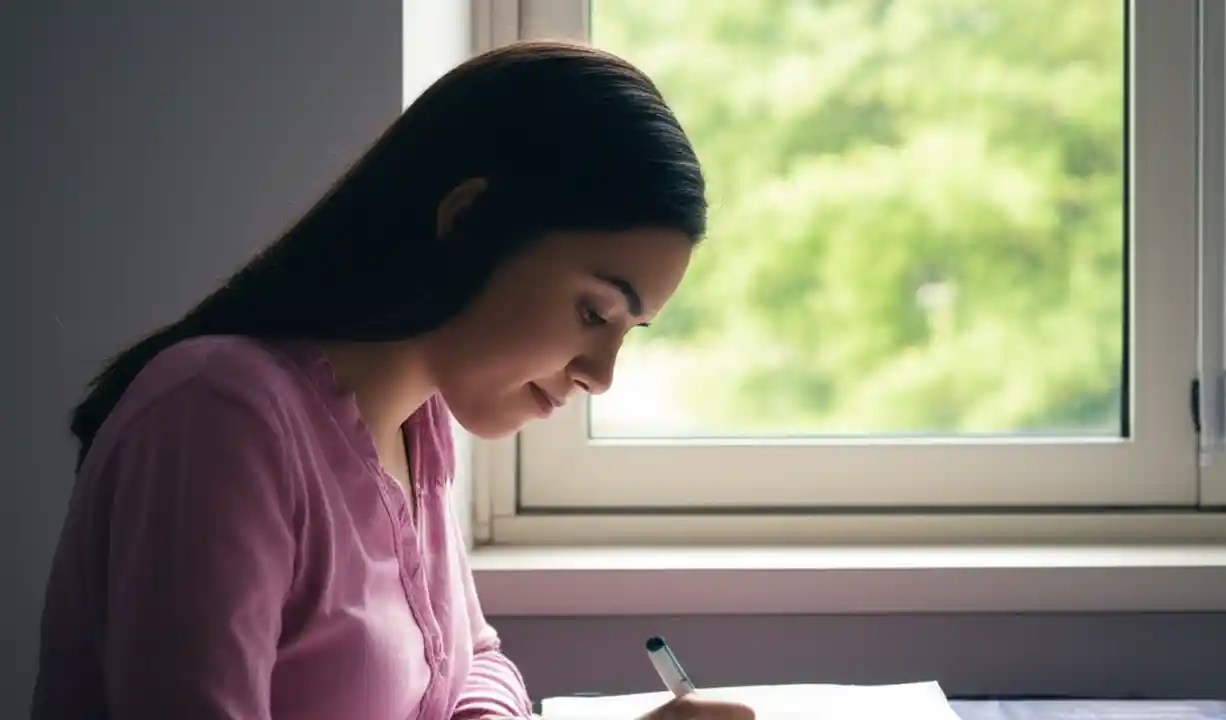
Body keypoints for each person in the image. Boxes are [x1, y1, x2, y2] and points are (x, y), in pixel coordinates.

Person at [32, 40, 754, 720]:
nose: (601, 376)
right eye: (594, 312)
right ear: (469, 221)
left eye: (630, 332)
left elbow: (473, 662)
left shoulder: (419, 422)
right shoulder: (220, 417)